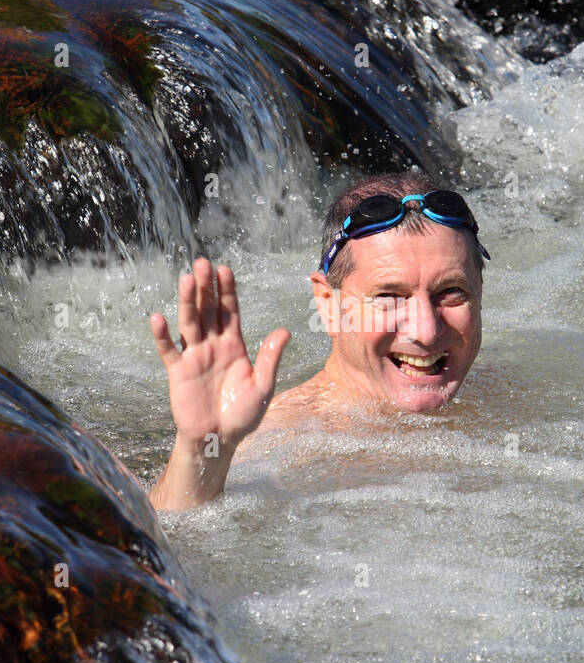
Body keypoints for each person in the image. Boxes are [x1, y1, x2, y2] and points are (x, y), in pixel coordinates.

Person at [148, 172, 488, 511]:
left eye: (451, 292)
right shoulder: (283, 439)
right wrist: (204, 447)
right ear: (328, 304)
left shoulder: (503, 393)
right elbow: (166, 536)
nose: (426, 330)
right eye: (389, 296)